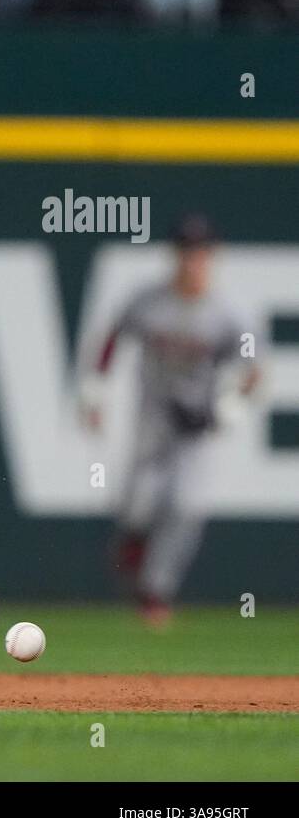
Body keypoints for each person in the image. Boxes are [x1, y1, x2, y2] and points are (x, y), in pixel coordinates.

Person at [80, 215, 262, 628]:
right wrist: (94, 392)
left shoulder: (229, 313)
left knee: (187, 505)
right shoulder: (148, 300)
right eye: (185, 251)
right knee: (137, 502)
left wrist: (227, 408)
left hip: (198, 423)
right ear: (174, 256)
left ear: (212, 258)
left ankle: (155, 592)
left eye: (200, 253)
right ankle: (133, 539)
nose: (192, 260)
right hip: (154, 414)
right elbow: (111, 338)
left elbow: (254, 372)